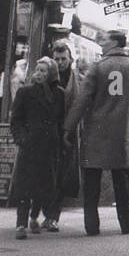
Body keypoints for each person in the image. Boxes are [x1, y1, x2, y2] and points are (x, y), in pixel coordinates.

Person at [63, 29, 129, 236]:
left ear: (116, 43)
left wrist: (68, 127)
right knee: (122, 182)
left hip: (96, 131)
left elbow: (82, 100)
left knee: (91, 183)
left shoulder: (97, 68)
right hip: (122, 131)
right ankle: (127, 224)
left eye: (105, 39)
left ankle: (92, 226)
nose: (102, 42)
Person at [8, 58, 64, 238]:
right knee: (24, 185)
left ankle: (34, 216)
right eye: (37, 70)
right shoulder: (25, 92)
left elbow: (61, 120)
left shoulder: (59, 94)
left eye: (43, 71)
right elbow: (16, 118)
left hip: (49, 146)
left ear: (51, 74)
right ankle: (21, 224)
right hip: (30, 144)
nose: (39, 74)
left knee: (43, 185)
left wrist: (61, 141)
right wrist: (21, 138)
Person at [48, 41, 83, 228]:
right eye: (57, 59)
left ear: (70, 59)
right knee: (47, 174)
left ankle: (54, 215)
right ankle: (45, 212)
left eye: (63, 59)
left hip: (68, 132)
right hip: (48, 133)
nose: (60, 62)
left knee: (63, 175)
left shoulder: (79, 79)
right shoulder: (44, 77)